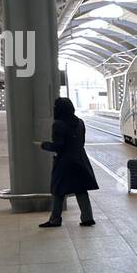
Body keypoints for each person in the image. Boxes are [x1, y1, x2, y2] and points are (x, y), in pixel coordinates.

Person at [39, 97, 99, 228]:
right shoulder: (80, 122)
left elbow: (59, 146)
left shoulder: (58, 124)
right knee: (81, 189)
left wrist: (45, 145)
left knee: (58, 190)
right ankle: (87, 218)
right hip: (80, 159)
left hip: (64, 162)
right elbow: (81, 142)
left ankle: (55, 219)